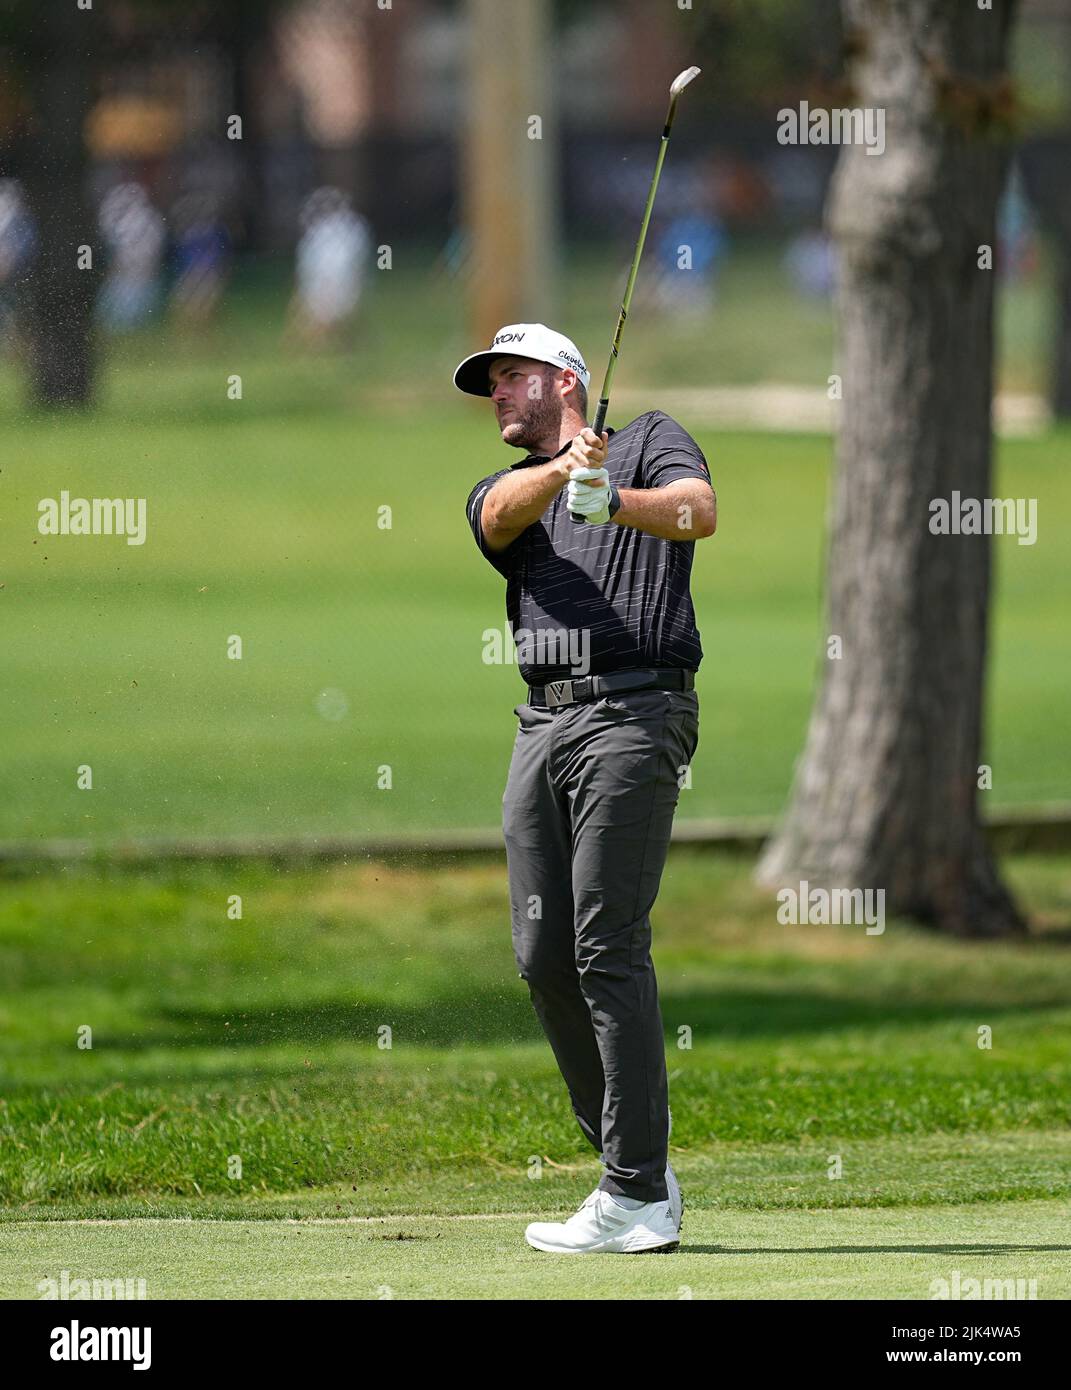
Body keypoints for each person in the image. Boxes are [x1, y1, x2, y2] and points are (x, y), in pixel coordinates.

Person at [456, 323, 716, 1254]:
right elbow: (498, 518)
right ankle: (630, 1170)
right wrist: (571, 470)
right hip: (541, 724)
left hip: (635, 714)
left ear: (565, 377)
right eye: (490, 382)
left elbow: (697, 512)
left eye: (512, 376)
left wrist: (619, 499)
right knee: (541, 954)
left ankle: (635, 1189)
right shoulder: (508, 490)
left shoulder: (646, 439)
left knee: (607, 941)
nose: (497, 392)